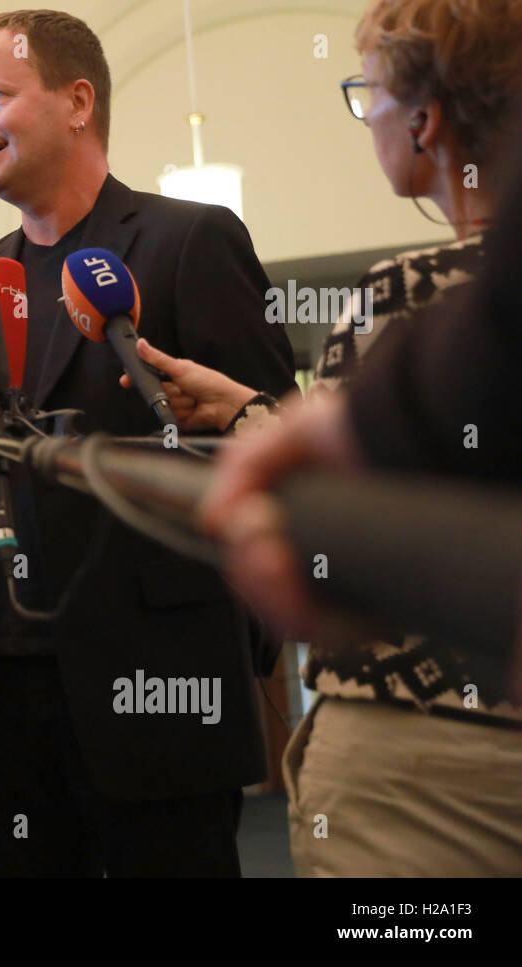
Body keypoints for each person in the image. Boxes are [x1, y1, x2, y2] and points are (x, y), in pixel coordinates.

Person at [123, 0, 522, 876]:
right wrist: (251, 409)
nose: (366, 114)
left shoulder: (402, 293)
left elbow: (340, 523)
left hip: (421, 773)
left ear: (426, 120)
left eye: (366, 92)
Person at [0, 9, 297, 877]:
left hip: (163, 684)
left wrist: (228, 656)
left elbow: (271, 449)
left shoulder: (188, 239)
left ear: (76, 101)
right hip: (12, 694)